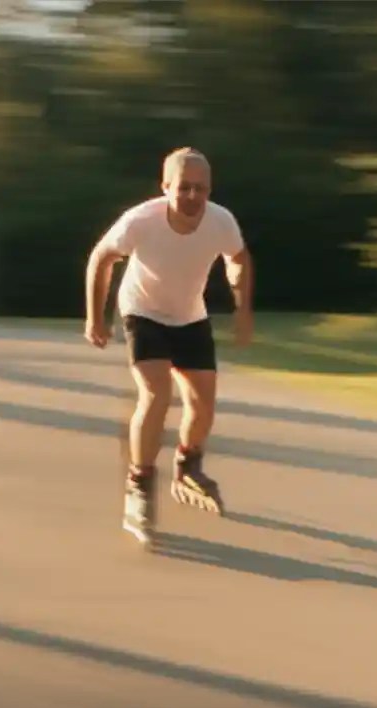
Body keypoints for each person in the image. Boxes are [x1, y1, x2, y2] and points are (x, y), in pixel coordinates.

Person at [83, 147, 254, 546]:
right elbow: (101, 259)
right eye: (184, 188)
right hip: (142, 311)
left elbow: (239, 258)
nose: (193, 196)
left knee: (204, 405)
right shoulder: (140, 221)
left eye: (202, 189)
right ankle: (139, 485)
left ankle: (188, 464)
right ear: (166, 187)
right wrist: (96, 316)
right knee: (156, 393)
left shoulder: (220, 220)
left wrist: (242, 307)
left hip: (190, 315)